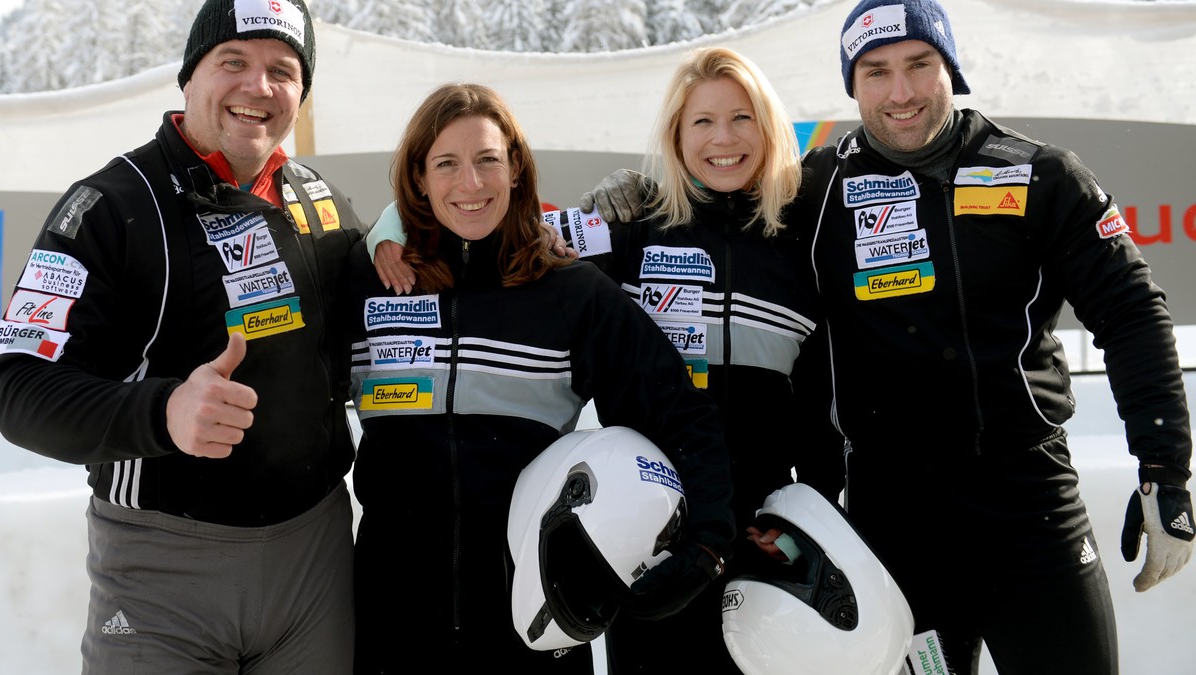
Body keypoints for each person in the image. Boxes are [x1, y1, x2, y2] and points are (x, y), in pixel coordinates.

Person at [582, 1, 1194, 673]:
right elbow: (719, 199)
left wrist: (1164, 466)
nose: (899, 92)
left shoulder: (1040, 177)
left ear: (949, 69)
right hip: (895, 532)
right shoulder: (814, 192)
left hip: (1031, 513)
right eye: (876, 72)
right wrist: (630, 197)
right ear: (853, 83)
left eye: (918, 66)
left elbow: (1132, 310)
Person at [0, 1, 369, 672]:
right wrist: (162, 412)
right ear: (189, 77)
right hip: (163, 576)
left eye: (282, 70)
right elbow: (16, 385)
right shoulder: (108, 207)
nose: (258, 87)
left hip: (312, 565)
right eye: (234, 62)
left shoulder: (323, 204)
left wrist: (403, 237)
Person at [344, 82, 735, 675]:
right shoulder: (369, 279)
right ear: (418, 179)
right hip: (393, 626)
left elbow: (675, 408)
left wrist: (707, 543)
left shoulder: (568, 291)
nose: (470, 183)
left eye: (488, 160)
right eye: (446, 163)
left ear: (518, 170)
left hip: (537, 622)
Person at [588, 47, 836, 675]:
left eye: (741, 117)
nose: (722, 139)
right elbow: (497, 236)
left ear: (769, 127)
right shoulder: (632, 229)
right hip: (649, 539)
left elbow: (820, 411)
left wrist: (804, 521)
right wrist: (390, 229)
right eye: (701, 122)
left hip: (762, 541)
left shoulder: (801, 243)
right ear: (675, 135)